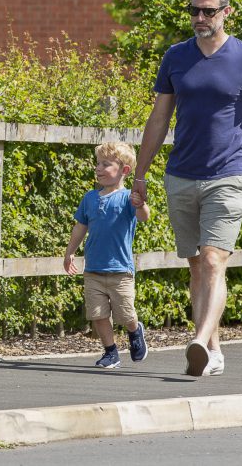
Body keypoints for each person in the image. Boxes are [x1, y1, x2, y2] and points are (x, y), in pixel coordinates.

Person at [132, 0, 242, 377]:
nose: (199, 18)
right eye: (194, 11)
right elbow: (159, 118)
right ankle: (213, 350)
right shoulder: (175, 57)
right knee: (196, 266)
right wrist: (140, 174)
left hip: (228, 175)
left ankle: (199, 341)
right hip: (181, 175)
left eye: (208, 11)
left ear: (226, 13)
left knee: (214, 259)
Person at [64, 142, 151, 369]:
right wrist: (70, 252)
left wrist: (140, 204)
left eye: (106, 164)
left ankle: (134, 330)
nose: (98, 168)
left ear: (124, 171)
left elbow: (144, 217)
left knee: (125, 314)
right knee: (98, 315)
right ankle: (111, 352)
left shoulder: (127, 198)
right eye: (98, 163)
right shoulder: (90, 198)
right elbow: (80, 227)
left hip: (120, 270)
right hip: (93, 269)